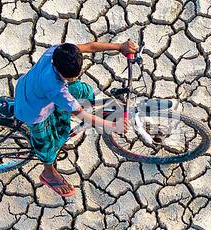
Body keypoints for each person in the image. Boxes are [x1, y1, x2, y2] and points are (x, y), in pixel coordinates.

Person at [13, 39, 136, 196]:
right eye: (71, 77)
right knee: (48, 145)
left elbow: (90, 46)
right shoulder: (56, 89)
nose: (75, 77)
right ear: (62, 73)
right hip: (33, 110)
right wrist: (112, 126)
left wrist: (120, 47)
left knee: (82, 90)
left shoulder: (58, 51)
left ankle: (96, 112)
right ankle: (48, 171)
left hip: (28, 85)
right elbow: (81, 116)